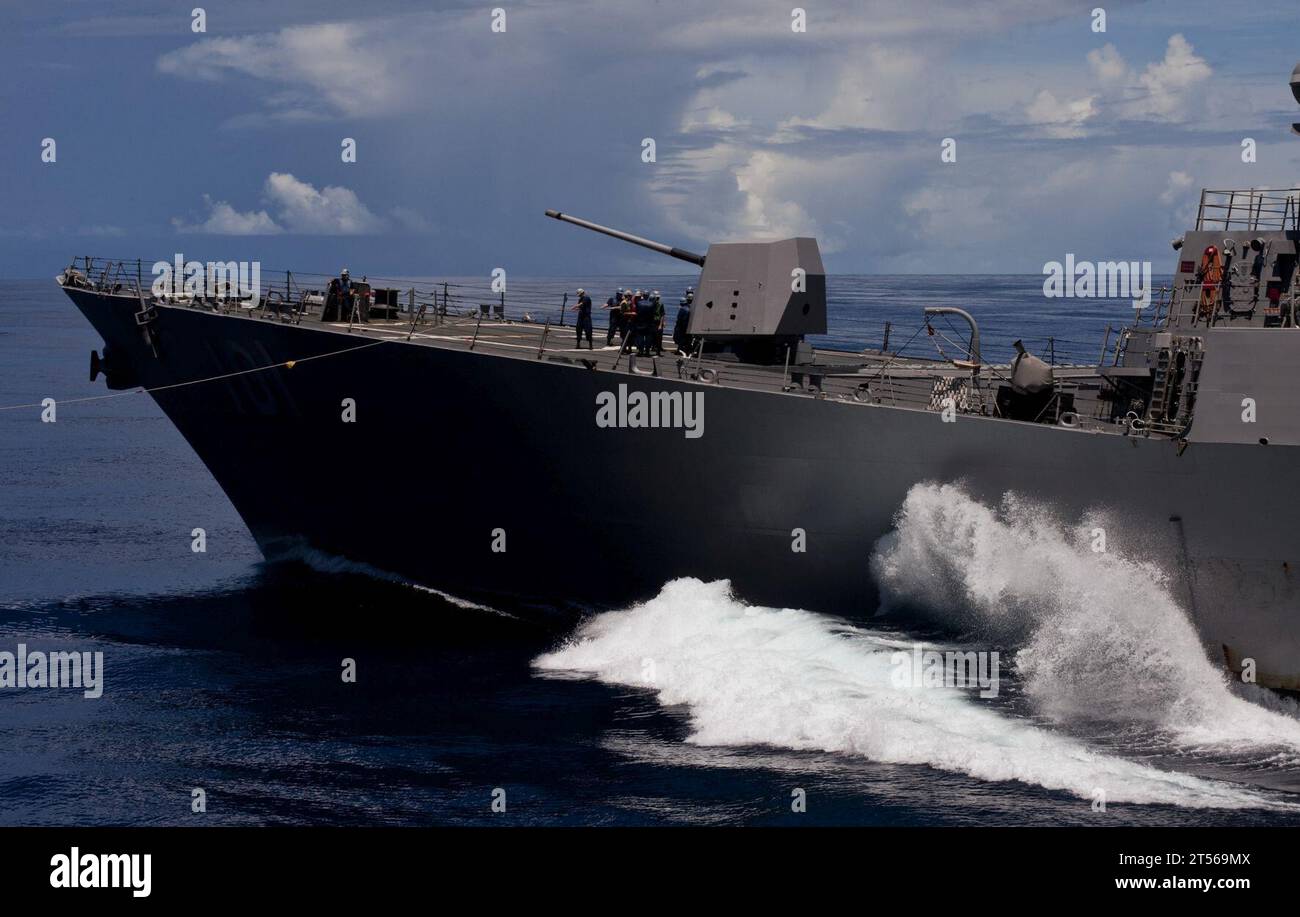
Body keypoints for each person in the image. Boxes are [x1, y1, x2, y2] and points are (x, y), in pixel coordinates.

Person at [673, 288, 694, 354]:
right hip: (690, 324)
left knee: (681, 338)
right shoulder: (693, 304)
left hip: (684, 326)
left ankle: (682, 350)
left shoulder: (684, 308)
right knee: (687, 339)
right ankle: (685, 349)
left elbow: (681, 319)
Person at [651, 291, 665, 355]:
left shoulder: (660, 304)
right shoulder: (652, 304)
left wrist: (661, 324)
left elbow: (662, 315)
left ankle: (658, 349)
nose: (657, 299)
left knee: (659, 337)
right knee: (653, 335)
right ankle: (654, 347)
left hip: (658, 322)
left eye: (658, 298)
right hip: (653, 322)